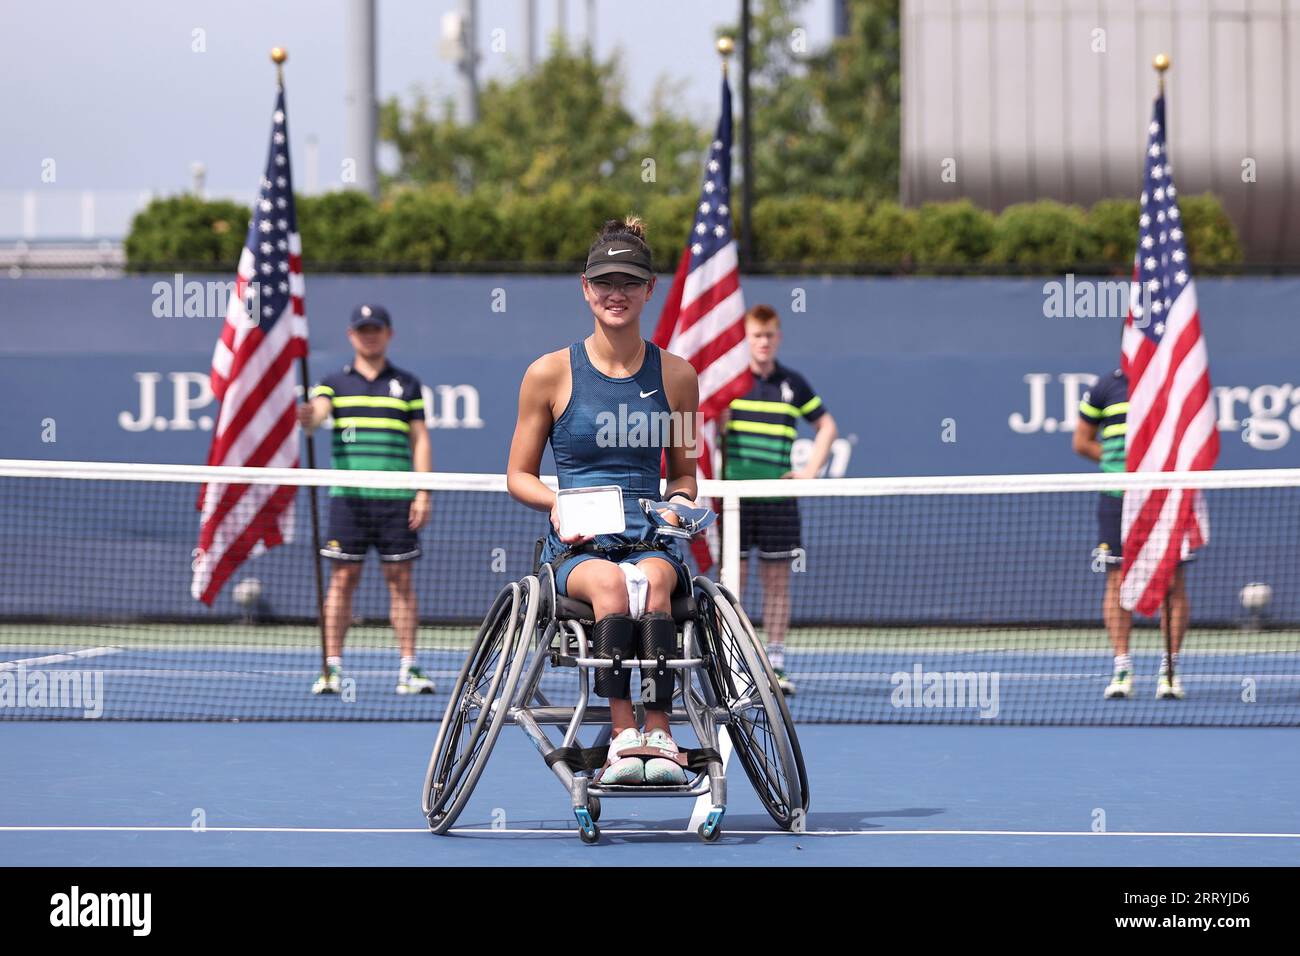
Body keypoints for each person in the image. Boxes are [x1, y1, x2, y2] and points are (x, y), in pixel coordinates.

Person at [507, 216, 701, 786]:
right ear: (586, 288)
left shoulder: (679, 376)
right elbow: (519, 474)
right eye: (605, 282)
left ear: (650, 288)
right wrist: (556, 503)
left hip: (649, 538)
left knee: (657, 583)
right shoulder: (547, 373)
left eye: (630, 282)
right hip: (578, 545)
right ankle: (623, 736)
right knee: (613, 588)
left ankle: (660, 733)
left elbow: (685, 476)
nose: (617, 294)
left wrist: (679, 507)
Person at [297, 304, 437, 696]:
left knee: (401, 582)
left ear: (388, 334)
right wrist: (310, 416)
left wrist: (423, 491)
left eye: (376, 329)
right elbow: (320, 413)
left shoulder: (406, 385)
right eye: (362, 329)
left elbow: (420, 439)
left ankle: (409, 668)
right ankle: (331, 669)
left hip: (396, 500)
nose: (369, 335)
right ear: (351, 336)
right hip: (349, 500)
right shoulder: (332, 383)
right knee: (342, 580)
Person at [721, 304, 837, 696]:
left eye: (769, 335)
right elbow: (701, 423)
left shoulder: (793, 383)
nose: (763, 342)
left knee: (776, 582)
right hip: (735, 501)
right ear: (746, 339)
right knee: (731, 583)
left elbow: (826, 426)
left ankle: (775, 662)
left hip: (778, 499)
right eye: (756, 335)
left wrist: (808, 473)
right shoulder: (730, 383)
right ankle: (732, 660)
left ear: (778, 338)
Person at [1074, 368, 1187, 700]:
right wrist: (1118, 463)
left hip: (1167, 497)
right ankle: (1122, 668)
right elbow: (1081, 441)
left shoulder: (1177, 375)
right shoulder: (1106, 387)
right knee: (1117, 580)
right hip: (1117, 498)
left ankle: (1169, 671)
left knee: (1173, 580)